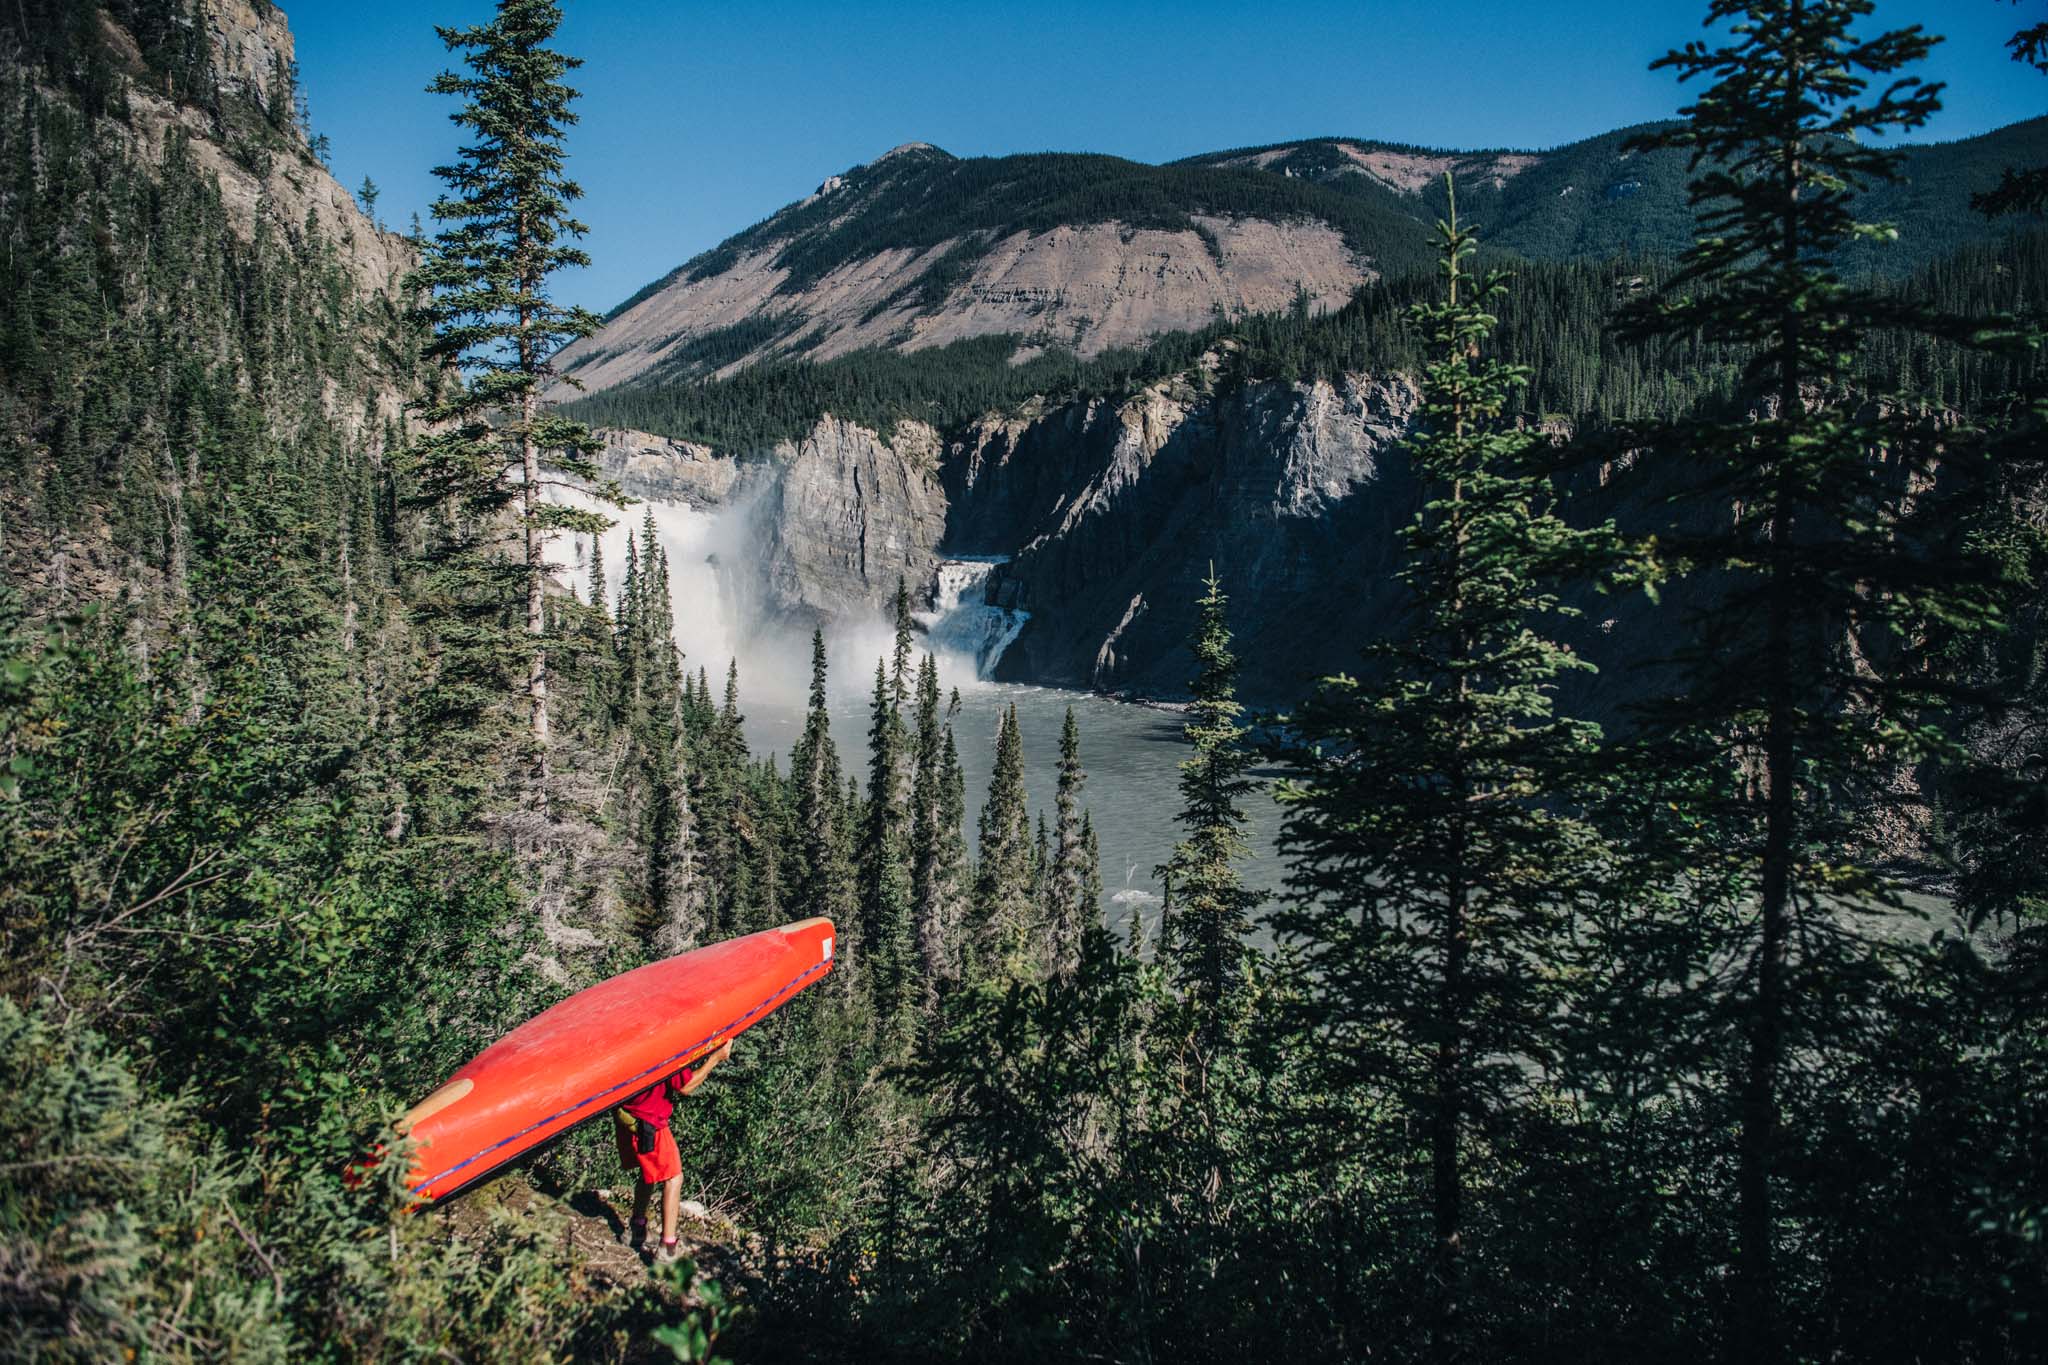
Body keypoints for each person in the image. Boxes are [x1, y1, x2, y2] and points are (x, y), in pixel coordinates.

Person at [615, 1039, 731, 1262]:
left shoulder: (641, 1042)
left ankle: (637, 1229)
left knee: (648, 1174)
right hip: (650, 1124)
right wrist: (715, 1059)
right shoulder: (668, 1048)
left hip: (628, 1118)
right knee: (674, 1178)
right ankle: (667, 1247)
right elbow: (686, 1086)